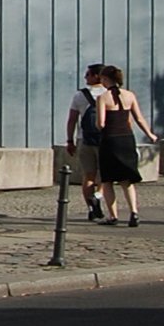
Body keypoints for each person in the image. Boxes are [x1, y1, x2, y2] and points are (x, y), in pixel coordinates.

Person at [92, 65, 156, 224]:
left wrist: (98, 127)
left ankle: (113, 216)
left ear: (105, 79)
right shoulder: (129, 95)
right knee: (126, 180)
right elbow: (139, 118)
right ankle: (134, 212)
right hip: (127, 138)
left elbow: (101, 123)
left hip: (110, 140)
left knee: (107, 180)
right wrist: (150, 134)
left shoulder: (102, 97)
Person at [66, 62, 108, 220]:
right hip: (105, 139)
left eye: (88, 74)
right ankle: (98, 195)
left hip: (85, 139)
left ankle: (91, 207)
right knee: (105, 175)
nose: (85, 77)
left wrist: (70, 140)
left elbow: (72, 120)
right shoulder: (108, 93)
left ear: (97, 75)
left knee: (88, 175)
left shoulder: (79, 95)